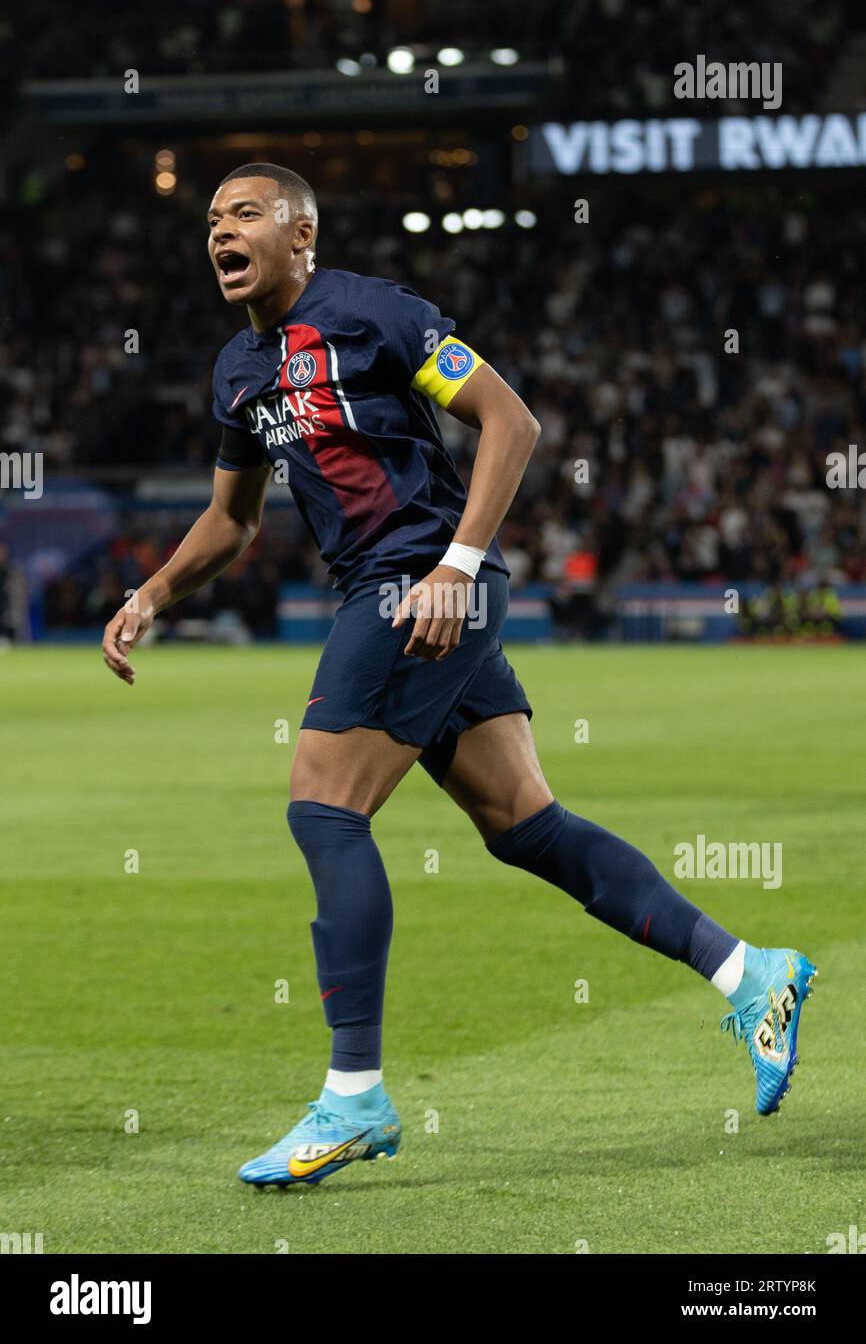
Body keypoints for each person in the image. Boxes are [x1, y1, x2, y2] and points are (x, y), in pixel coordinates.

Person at [102, 164, 816, 1187]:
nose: (221, 229)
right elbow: (232, 518)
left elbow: (510, 421)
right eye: (212, 218)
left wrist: (456, 564)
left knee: (322, 809)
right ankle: (752, 974)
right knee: (525, 825)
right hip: (413, 596)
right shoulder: (236, 373)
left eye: (246, 213)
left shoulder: (373, 314)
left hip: (418, 584)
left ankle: (353, 1096)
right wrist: (153, 595)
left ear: (301, 234)